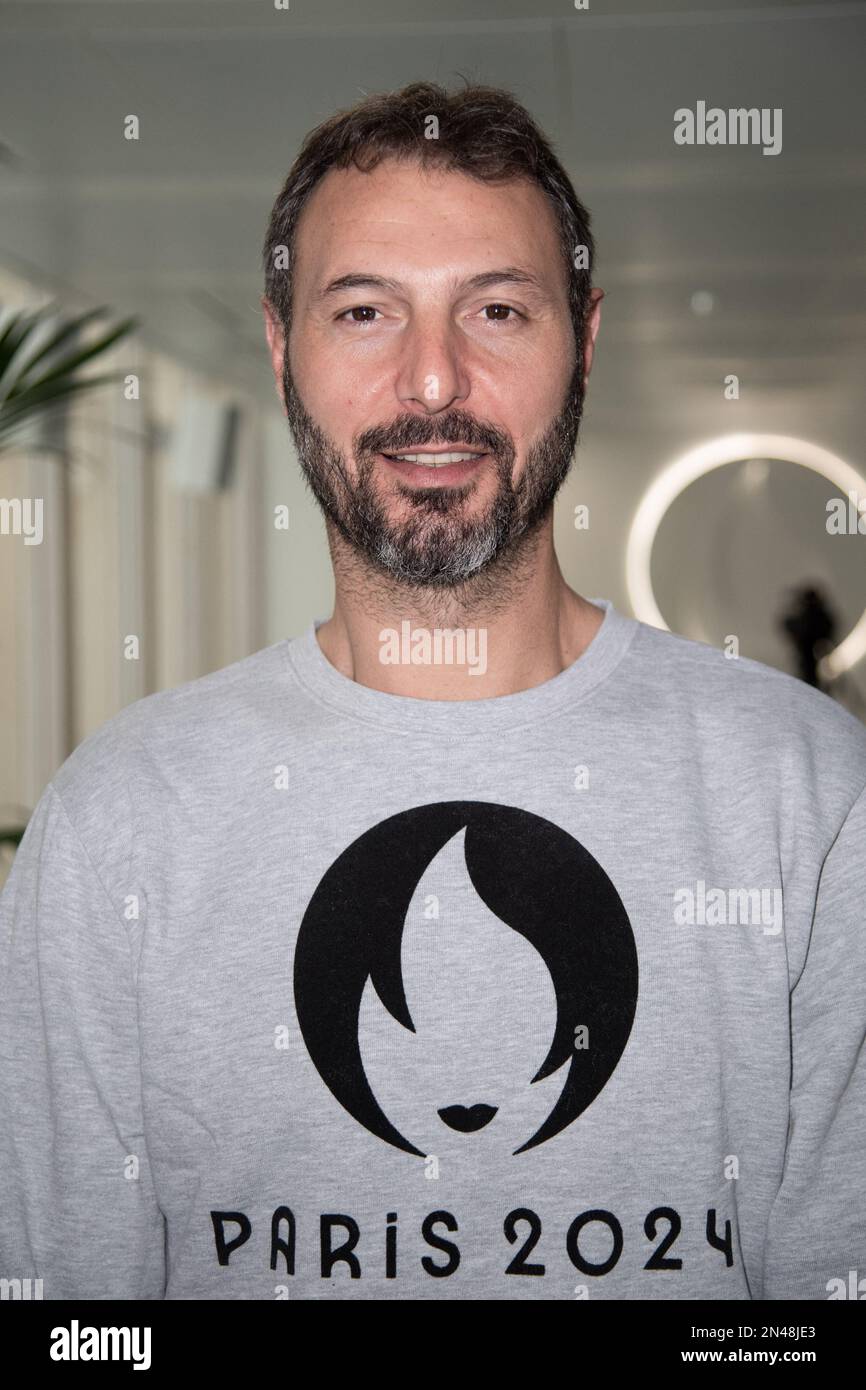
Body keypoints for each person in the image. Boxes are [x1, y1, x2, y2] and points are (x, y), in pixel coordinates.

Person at [1, 81, 864, 1302]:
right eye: (363, 312)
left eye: (497, 310)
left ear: (583, 336)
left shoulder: (808, 795)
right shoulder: (122, 818)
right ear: (278, 345)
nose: (431, 382)